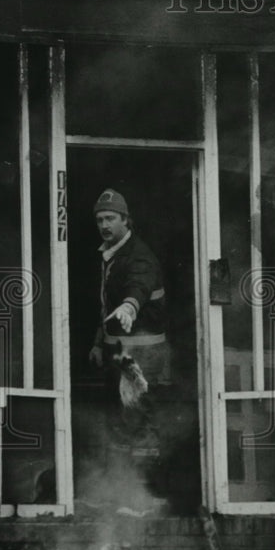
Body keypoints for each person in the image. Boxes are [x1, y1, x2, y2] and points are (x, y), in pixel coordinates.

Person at [88, 188, 170, 468]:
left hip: (143, 355)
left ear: (126, 220)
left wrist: (129, 307)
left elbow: (139, 285)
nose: (104, 226)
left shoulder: (139, 257)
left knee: (140, 419)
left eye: (110, 218)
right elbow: (105, 304)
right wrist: (99, 343)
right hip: (119, 352)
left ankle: (146, 498)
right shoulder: (111, 253)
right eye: (99, 220)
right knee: (121, 419)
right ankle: (124, 491)